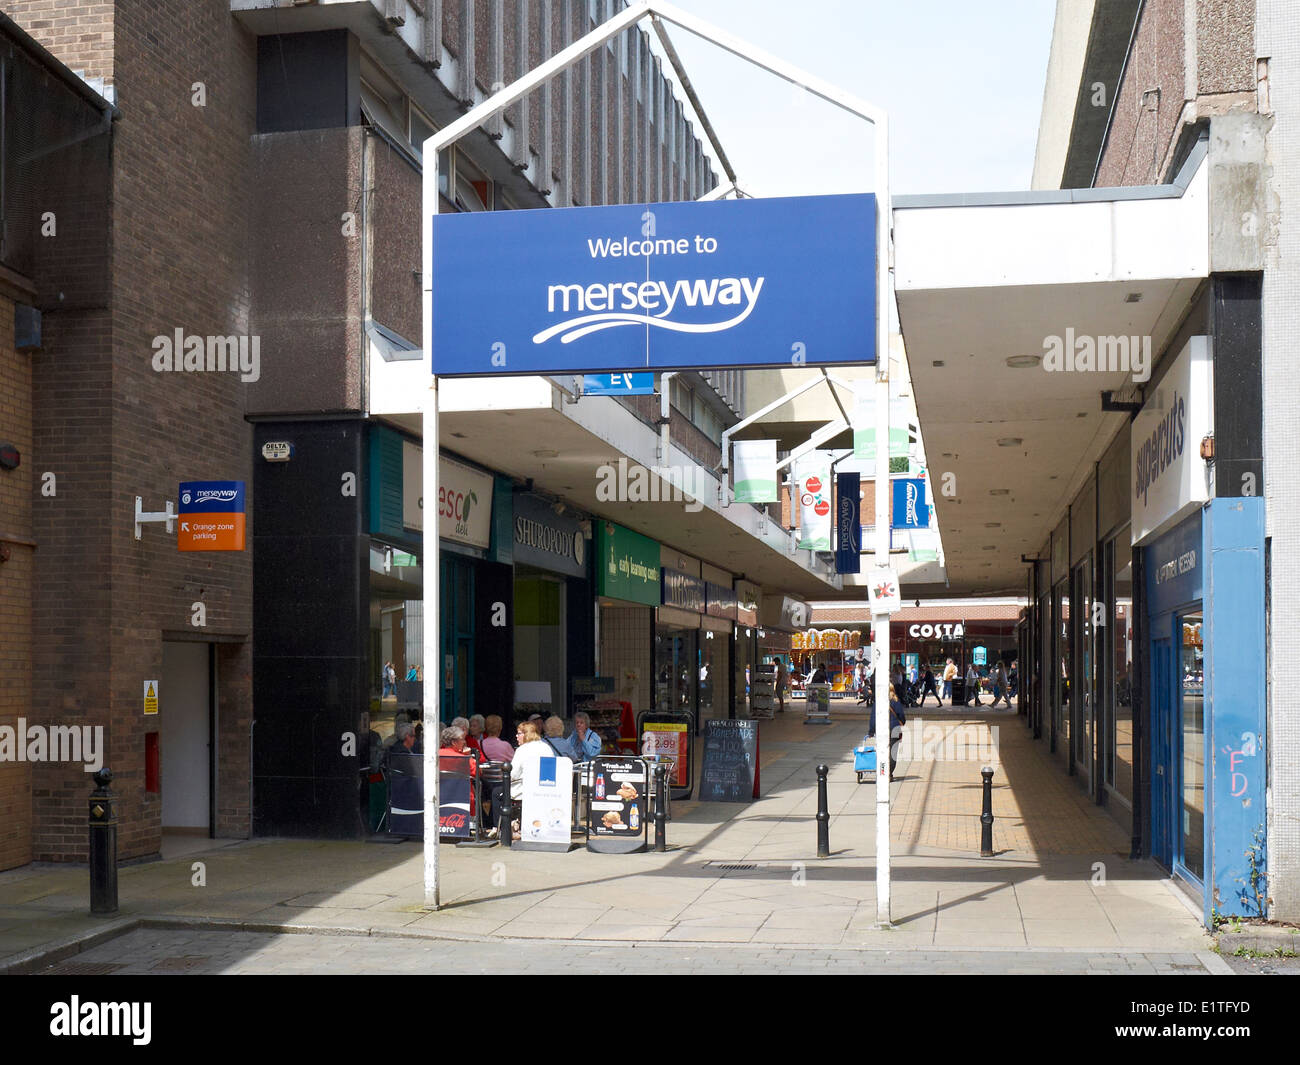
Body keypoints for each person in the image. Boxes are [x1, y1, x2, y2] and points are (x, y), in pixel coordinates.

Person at [868, 686, 907, 782]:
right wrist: (901, 723)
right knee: (893, 753)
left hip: (882, 730)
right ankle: (889, 773)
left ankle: (882, 772)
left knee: (882, 752)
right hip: (895, 729)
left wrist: (871, 731)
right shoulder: (896, 701)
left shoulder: (878, 702)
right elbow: (901, 716)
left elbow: (873, 717)